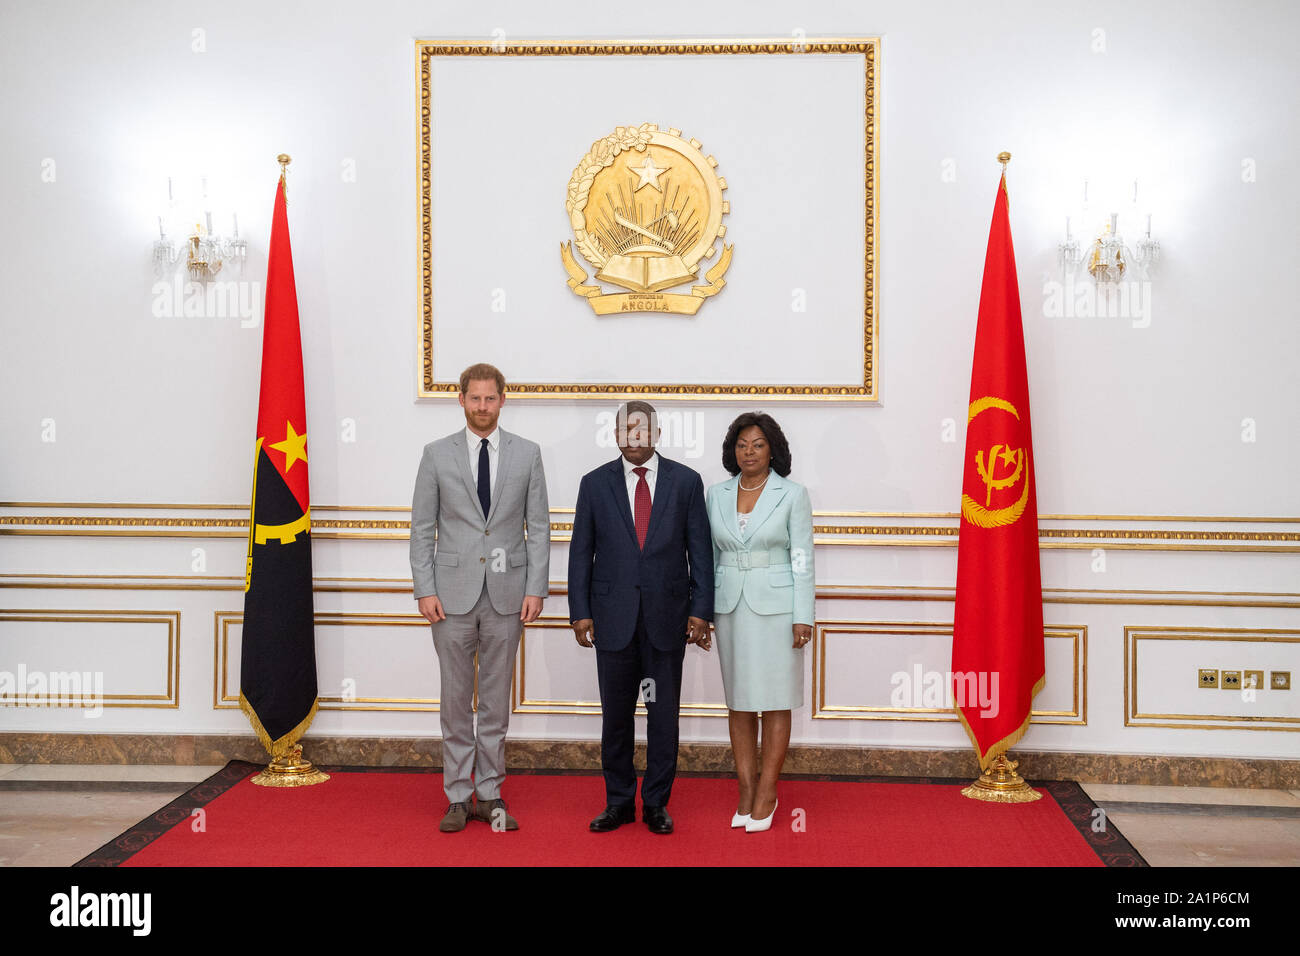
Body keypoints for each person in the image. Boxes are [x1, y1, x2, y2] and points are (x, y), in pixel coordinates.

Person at [409, 363, 550, 832]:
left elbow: (539, 528)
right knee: (454, 699)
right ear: (462, 400)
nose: (483, 407)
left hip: (508, 595)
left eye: (491, 399)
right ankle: (456, 795)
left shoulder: (527, 454)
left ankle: (489, 793)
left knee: (493, 700)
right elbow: (422, 529)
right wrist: (424, 589)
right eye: (475, 399)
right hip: (449, 598)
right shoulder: (436, 455)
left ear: (502, 400)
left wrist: (535, 587)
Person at [568, 401, 713, 834]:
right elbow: (581, 552)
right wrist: (580, 612)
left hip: (667, 619)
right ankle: (617, 802)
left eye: (642, 428)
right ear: (615, 435)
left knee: (662, 714)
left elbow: (699, 552)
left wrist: (701, 610)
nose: (634, 435)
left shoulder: (686, 482)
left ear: (657, 433)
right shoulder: (594, 484)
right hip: (612, 621)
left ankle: (656, 804)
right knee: (616, 716)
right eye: (626, 428)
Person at [705, 412, 814, 833]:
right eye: (742, 444)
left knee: (775, 699)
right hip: (730, 607)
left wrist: (803, 616)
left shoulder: (792, 494)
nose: (748, 451)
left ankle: (768, 790)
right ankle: (745, 789)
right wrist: (703, 612)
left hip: (780, 610)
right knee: (739, 701)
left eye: (758, 444)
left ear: (773, 450)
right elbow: (709, 555)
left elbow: (802, 557)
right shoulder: (716, 494)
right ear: (733, 451)